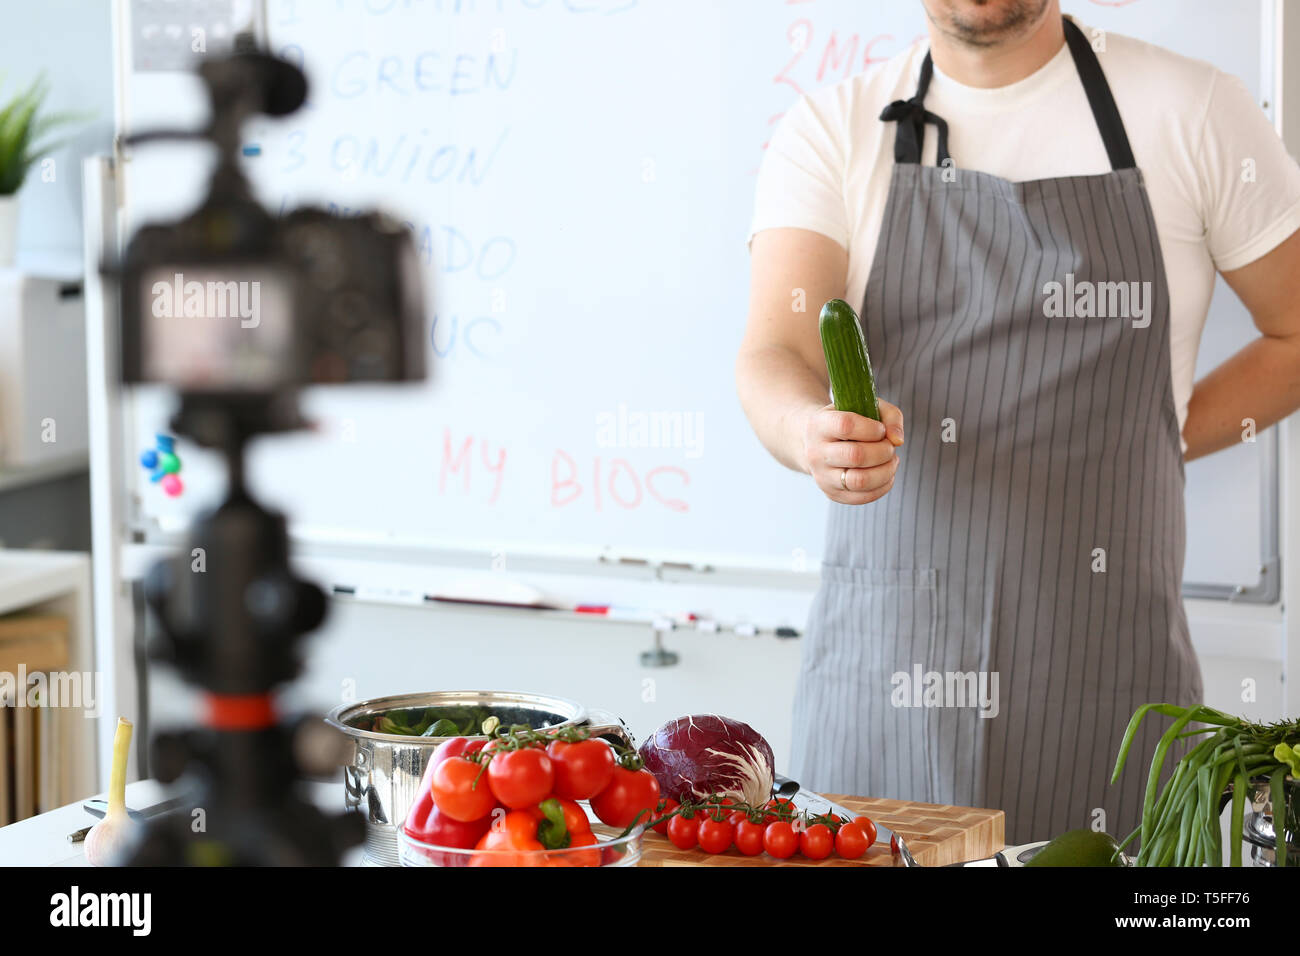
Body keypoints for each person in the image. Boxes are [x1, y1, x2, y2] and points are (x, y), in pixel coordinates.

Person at [736, 0, 1300, 843]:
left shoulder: (1196, 110)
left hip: (1108, 686)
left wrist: (1154, 434)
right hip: (886, 683)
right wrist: (810, 431)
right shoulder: (833, 127)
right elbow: (776, 350)